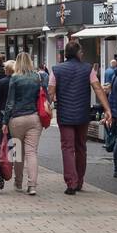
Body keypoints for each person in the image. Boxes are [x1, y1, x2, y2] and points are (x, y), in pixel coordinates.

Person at [48, 41, 112, 195]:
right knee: (81, 147)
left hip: (64, 115)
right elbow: (97, 88)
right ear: (77, 53)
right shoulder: (87, 69)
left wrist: (46, 109)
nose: (83, 53)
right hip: (82, 115)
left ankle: (71, 182)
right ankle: (79, 181)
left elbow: (50, 92)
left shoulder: (56, 70)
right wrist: (107, 108)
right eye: (81, 51)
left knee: (67, 148)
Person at [4, 53, 46, 194]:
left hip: (17, 119)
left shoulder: (15, 78)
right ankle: (32, 185)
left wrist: (5, 121)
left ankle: (18, 183)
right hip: (34, 118)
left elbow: (10, 102)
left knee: (18, 152)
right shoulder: (38, 77)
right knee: (31, 152)